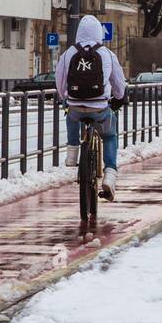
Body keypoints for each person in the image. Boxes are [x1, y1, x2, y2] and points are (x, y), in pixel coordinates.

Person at [56, 14, 126, 200]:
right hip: (100, 108)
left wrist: (65, 97)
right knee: (110, 134)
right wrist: (119, 98)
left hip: (76, 106)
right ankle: (110, 175)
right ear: (98, 33)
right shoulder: (107, 54)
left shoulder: (68, 53)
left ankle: (72, 154)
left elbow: (60, 81)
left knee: (70, 113)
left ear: (79, 32)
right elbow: (119, 85)